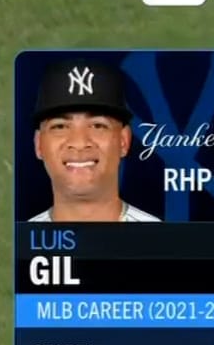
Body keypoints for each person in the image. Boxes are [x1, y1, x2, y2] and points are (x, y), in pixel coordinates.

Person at [27, 58, 161, 222]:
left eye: (98, 125)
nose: (79, 142)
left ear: (123, 141)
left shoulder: (163, 242)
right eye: (60, 126)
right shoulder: (17, 243)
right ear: (39, 144)